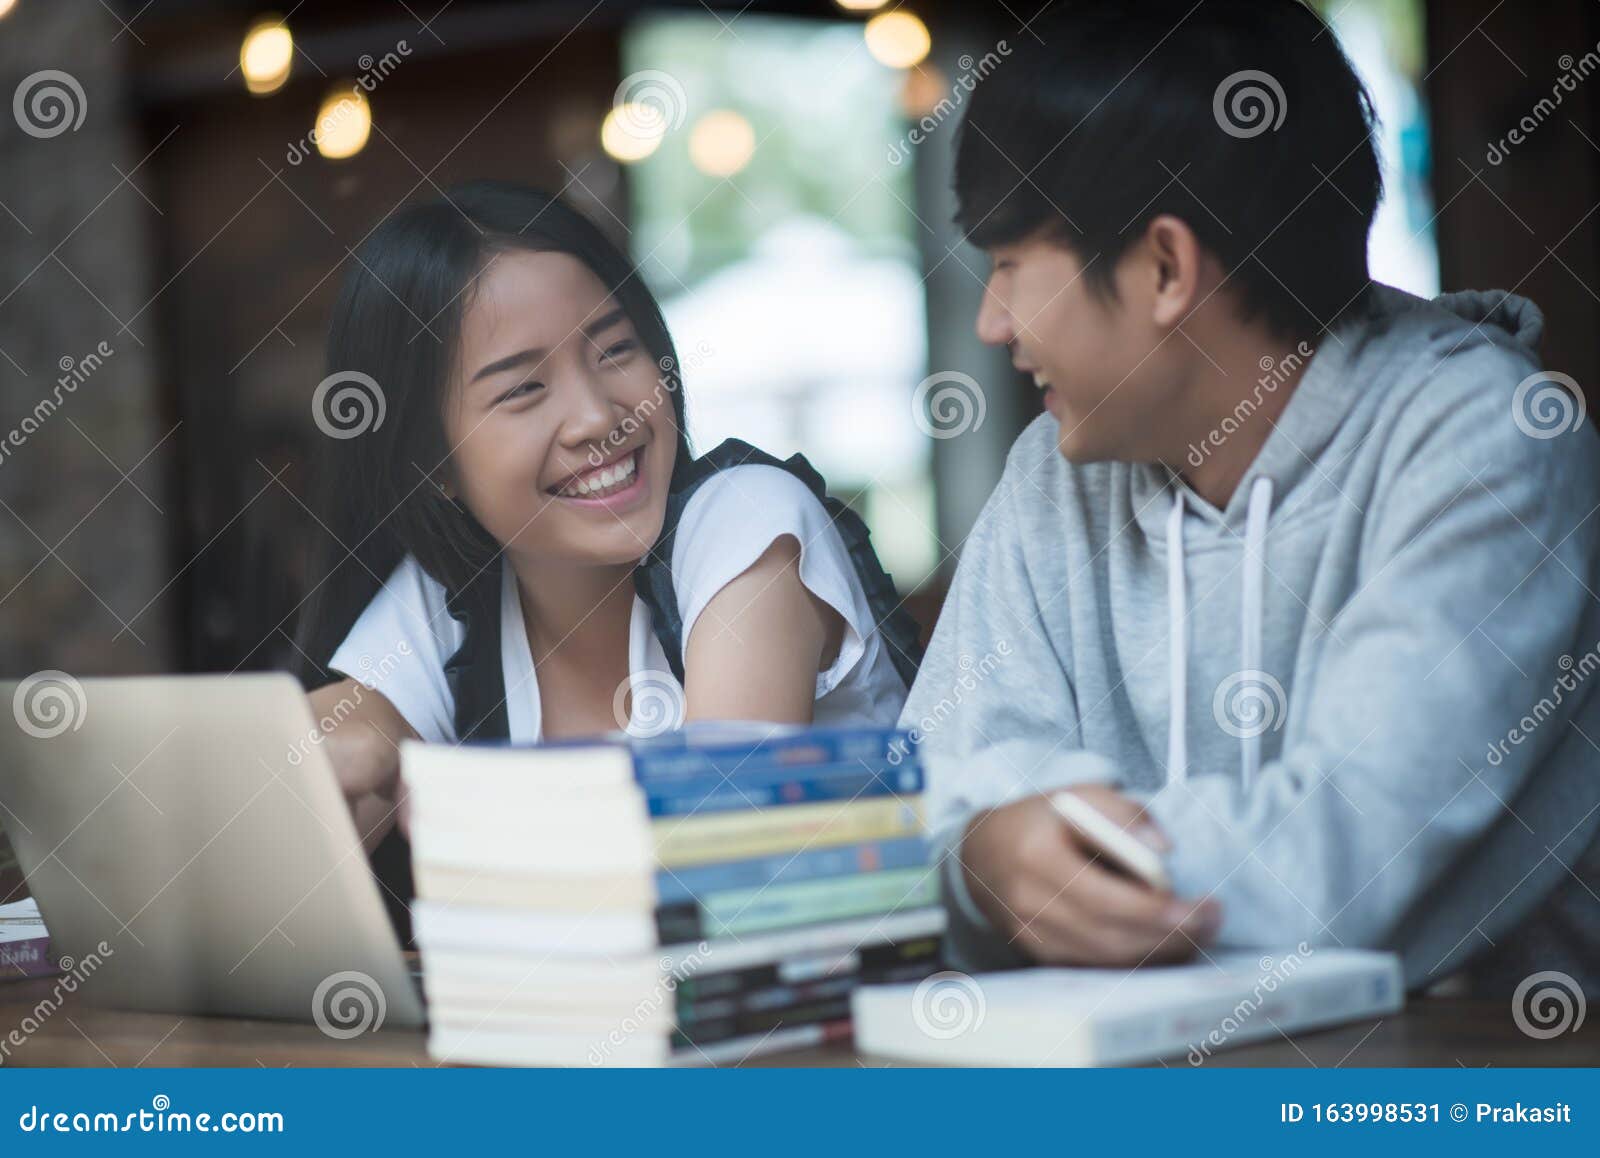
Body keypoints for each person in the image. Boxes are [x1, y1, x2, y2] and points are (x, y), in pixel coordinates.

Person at [904, 0, 1600, 992]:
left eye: (1010, 265)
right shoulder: (1053, 475)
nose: (989, 322)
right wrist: (980, 864)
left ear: (1162, 266)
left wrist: (1021, 846)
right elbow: (917, 808)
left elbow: (1340, 868)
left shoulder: (1487, 443)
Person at [293, 183, 919, 929]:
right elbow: (315, 771)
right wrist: (353, 750)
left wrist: (464, 810)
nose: (598, 416)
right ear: (435, 466)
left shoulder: (747, 520)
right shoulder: (450, 593)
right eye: (525, 389)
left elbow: (715, 851)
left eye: (616, 350)